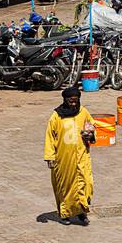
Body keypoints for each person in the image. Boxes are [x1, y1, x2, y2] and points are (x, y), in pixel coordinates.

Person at [43, 86, 95, 226]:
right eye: (70, 101)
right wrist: (50, 157)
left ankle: (81, 211)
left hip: (82, 155)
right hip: (63, 158)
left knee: (85, 184)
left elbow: (91, 125)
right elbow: (50, 136)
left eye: (75, 101)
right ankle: (64, 213)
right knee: (66, 187)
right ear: (65, 100)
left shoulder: (83, 112)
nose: (73, 103)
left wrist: (90, 134)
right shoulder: (56, 116)